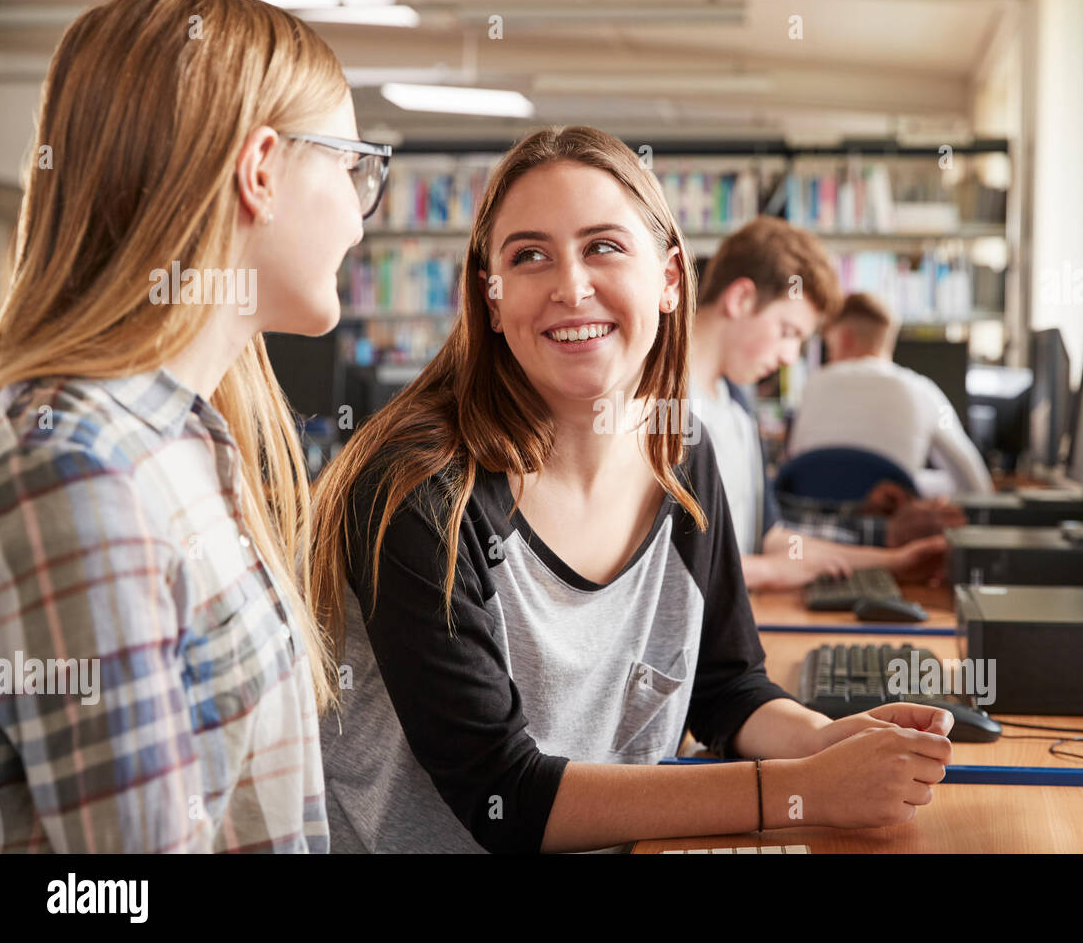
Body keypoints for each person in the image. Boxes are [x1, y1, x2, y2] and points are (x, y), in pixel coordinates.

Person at [309, 126, 954, 854]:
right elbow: (501, 792)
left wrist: (823, 740)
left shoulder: (683, 454)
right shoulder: (420, 490)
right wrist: (803, 792)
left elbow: (726, 687)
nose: (570, 286)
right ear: (491, 300)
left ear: (671, 278)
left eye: (604, 247)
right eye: (528, 257)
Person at [0, 0, 381, 851]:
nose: (361, 220)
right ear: (261, 170)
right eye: (353, 167)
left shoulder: (192, 439)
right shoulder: (82, 469)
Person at [688, 219, 956, 592]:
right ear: (740, 299)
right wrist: (771, 572)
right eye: (788, 332)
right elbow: (663, 570)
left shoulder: (736, 403)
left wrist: (894, 563)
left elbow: (774, 540)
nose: (789, 357)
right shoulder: (658, 403)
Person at [788, 291, 994, 496]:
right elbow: (975, 481)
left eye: (830, 348)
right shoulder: (924, 392)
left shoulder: (812, 385)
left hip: (806, 522)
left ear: (845, 339)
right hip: (886, 522)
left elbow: (797, 467)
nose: (830, 357)